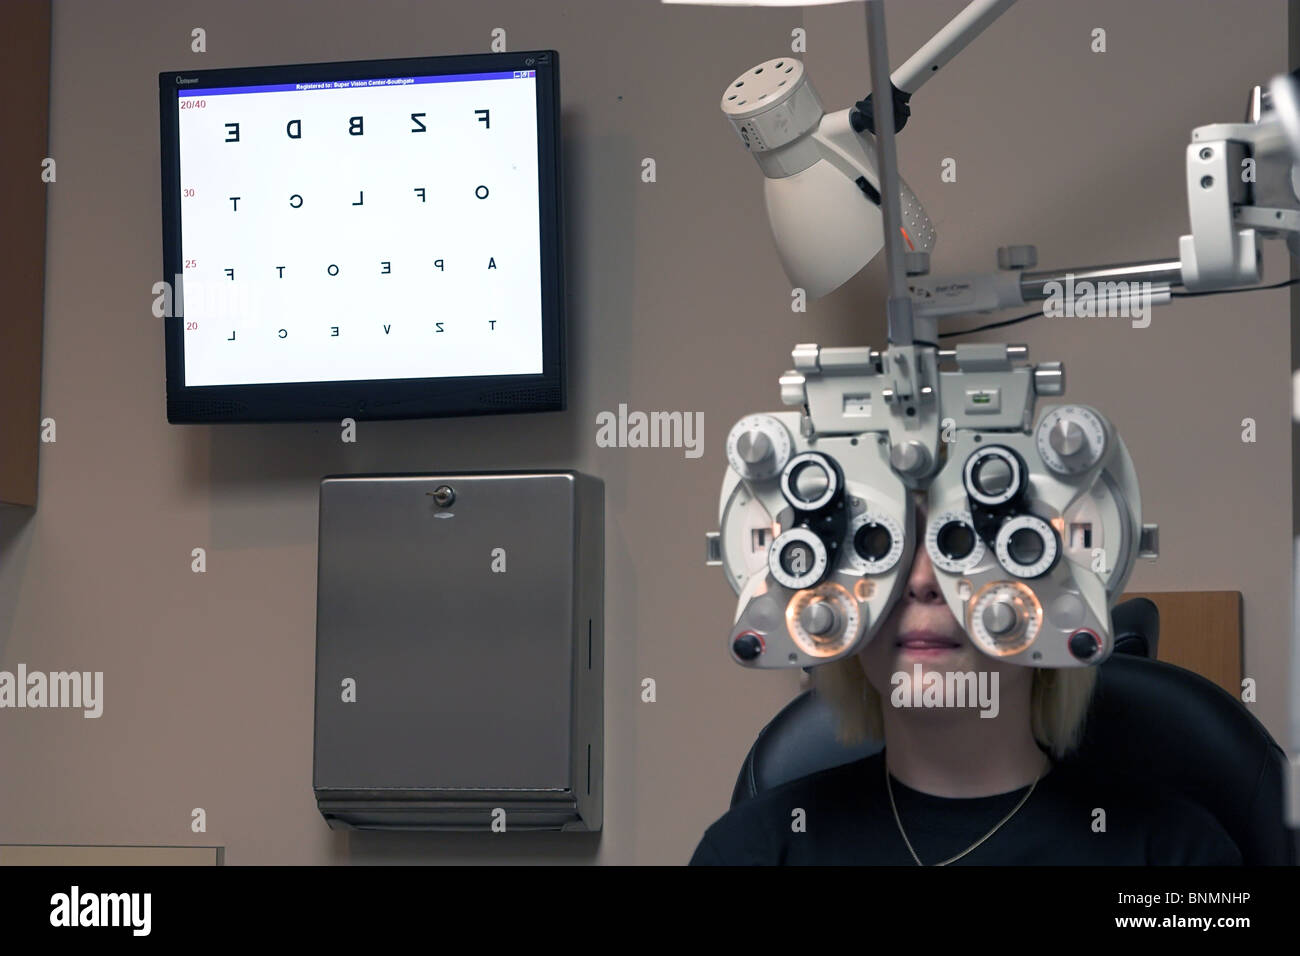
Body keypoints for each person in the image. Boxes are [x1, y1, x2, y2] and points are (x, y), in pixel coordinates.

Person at [690, 494, 1242, 865]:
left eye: (960, 545)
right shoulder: (753, 851)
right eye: (884, 548)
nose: (924, 581)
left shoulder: (1176, 855)